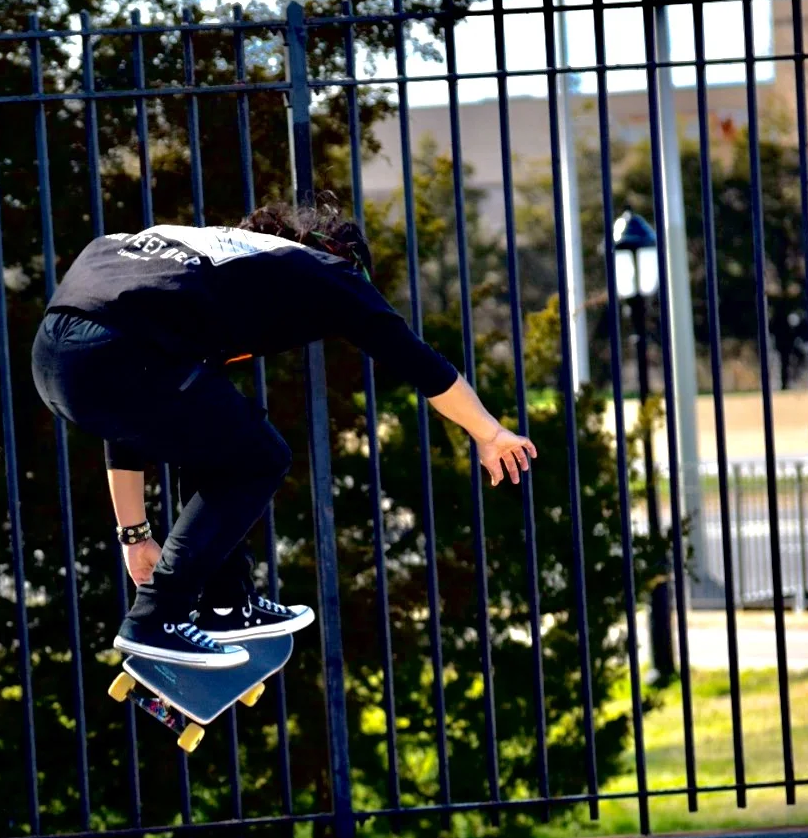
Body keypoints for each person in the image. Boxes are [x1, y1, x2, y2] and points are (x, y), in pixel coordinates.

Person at [31, 198, 536, 670]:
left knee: (223, 441)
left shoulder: (208, 259)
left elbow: (125, 408)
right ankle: (157, 618)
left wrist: (134, 534)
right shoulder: (325, 270)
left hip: (55, 360)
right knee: (260, 457)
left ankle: (228, 605)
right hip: (117, 358)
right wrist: (487, 432)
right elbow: (415, 358)